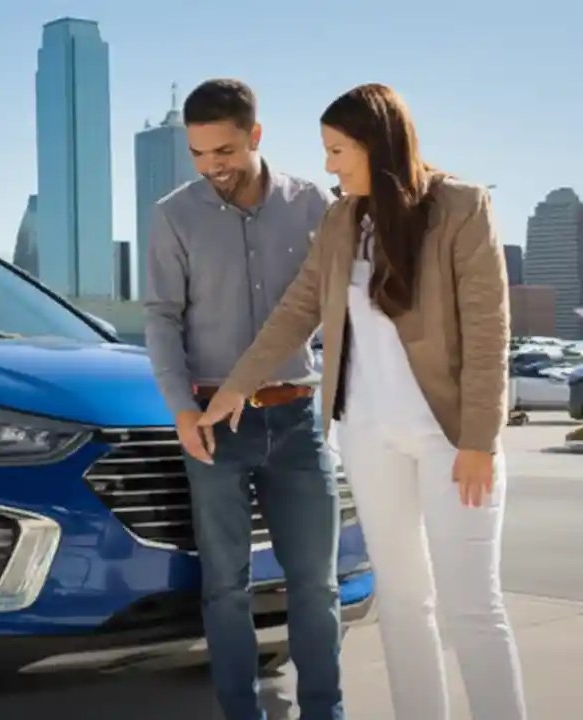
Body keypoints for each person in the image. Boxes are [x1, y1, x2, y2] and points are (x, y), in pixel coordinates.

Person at [198, 82, 527, 720]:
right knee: (404, 604)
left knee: (471, 608)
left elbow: (490, 332)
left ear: (376, 145)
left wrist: (480, 440)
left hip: (450, 438)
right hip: (370, 437)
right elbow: (297, 309)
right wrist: (239, 384)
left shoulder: (461, 206)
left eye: (337, 150)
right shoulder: (342, 218)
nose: (328, 165)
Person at [144, 78, 343, 720]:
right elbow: (161, 318)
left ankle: (325, 711)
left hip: (295, 421)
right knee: (226, 586)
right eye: (199, 155)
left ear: (255, 135)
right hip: (212, 425)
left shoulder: (312, 203)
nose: (212, 169)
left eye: (224, 152)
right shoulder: (174, 214)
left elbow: (338, 307)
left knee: (316, 583)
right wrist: (181, 411)